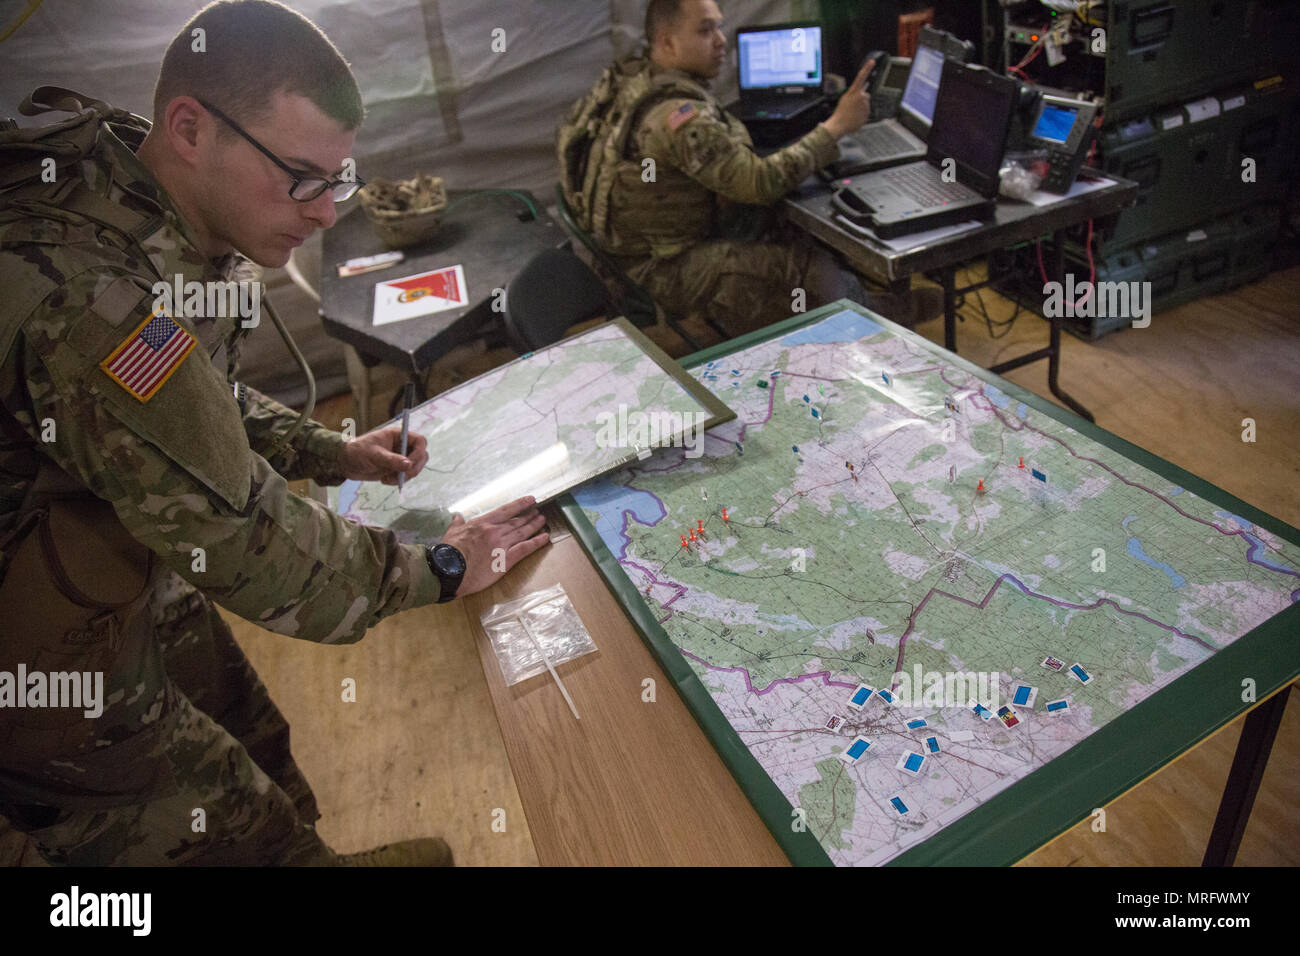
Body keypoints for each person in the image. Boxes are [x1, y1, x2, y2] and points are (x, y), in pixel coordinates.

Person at [0, 0, 547, 866]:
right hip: (33, 658)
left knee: (251, 729)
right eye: (303, 177)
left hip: (103, 550)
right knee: (220, 821)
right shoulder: (92, 306)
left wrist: (330, 451)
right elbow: (255, 545)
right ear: (190, 127)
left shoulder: (137, 191)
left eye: (338, 178)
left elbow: (193, 405)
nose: (327, 211)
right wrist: (441, 565)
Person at [558, 0, 938, 340]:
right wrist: (835, 127)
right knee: (801, 265)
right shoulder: (677, 118)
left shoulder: (629, 82)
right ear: (667, 42)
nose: (721, 41)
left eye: (719, 27)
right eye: (706, 30)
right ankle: (870, 323)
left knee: (789, 225)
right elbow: (759, 183)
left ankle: (854, 305)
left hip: (623, 256)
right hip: (657, 271)